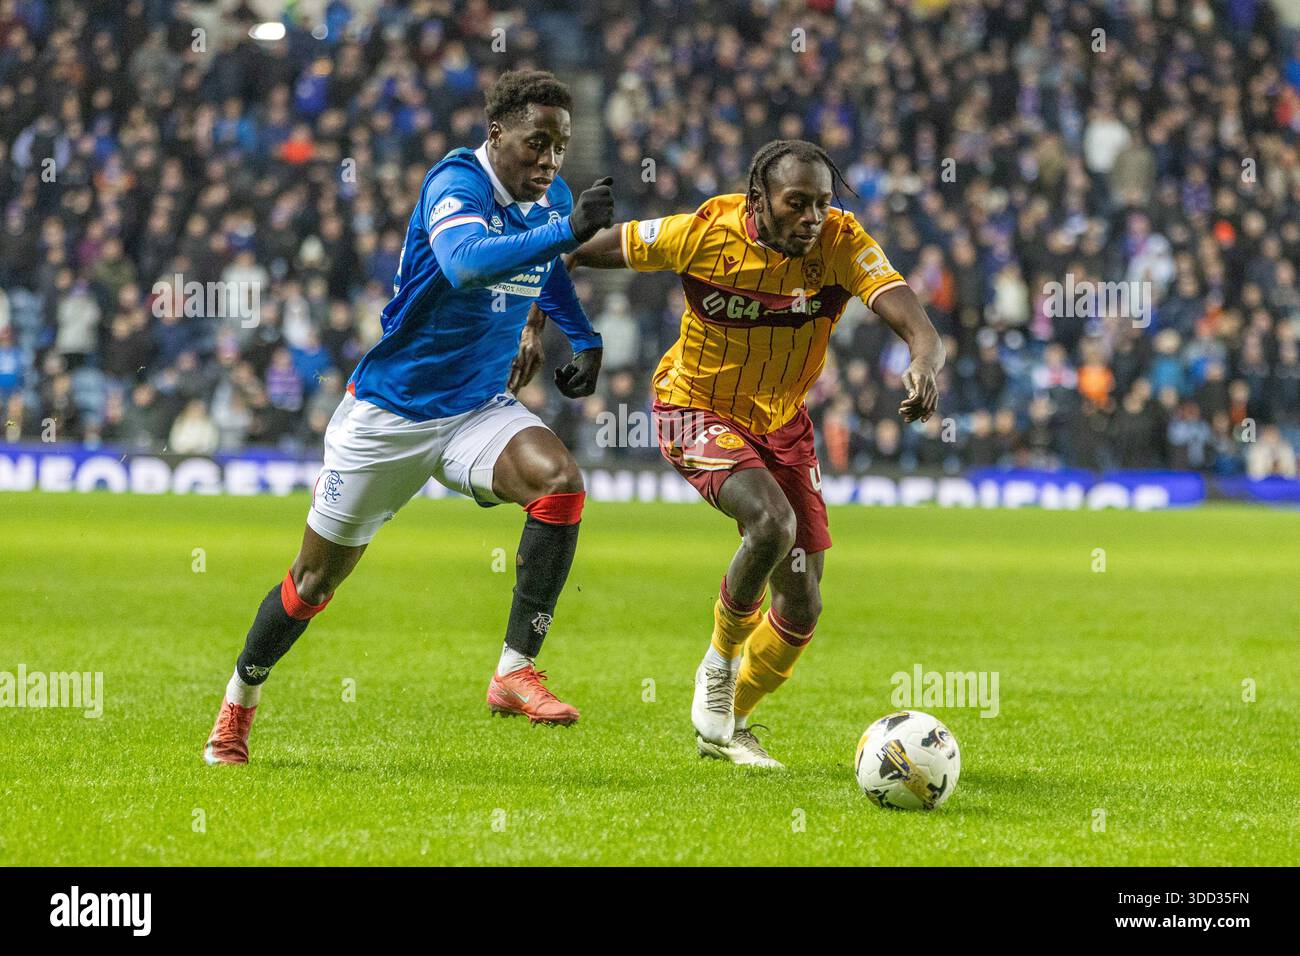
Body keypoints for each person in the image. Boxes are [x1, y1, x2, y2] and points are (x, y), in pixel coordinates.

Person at [203, 70, 614, 765]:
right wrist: (566, 232)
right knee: (314, 583)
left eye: (560, 148)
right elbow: (462, 264)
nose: (548, 161)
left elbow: (547, 269)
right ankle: (239, 700)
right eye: (536, 144)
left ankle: (515, 669)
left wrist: (579, 334)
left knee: (561, 486)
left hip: (477, 407)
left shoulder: (553, 197)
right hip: (390, 415)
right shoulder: (455, 184)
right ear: (495, 135)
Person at [564, 139, 943, 767]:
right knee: (770, 524)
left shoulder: (841, 243)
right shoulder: (700, 234)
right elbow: (573, 251)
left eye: (821, 203)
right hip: (693, 409)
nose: (811, 217)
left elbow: (918, 326)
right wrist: (534, 313)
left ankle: (731, 724)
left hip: (782, 423)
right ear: (758, 199)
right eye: (797, 203)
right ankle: (718, 664)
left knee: (802, 603)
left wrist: (923, 363)